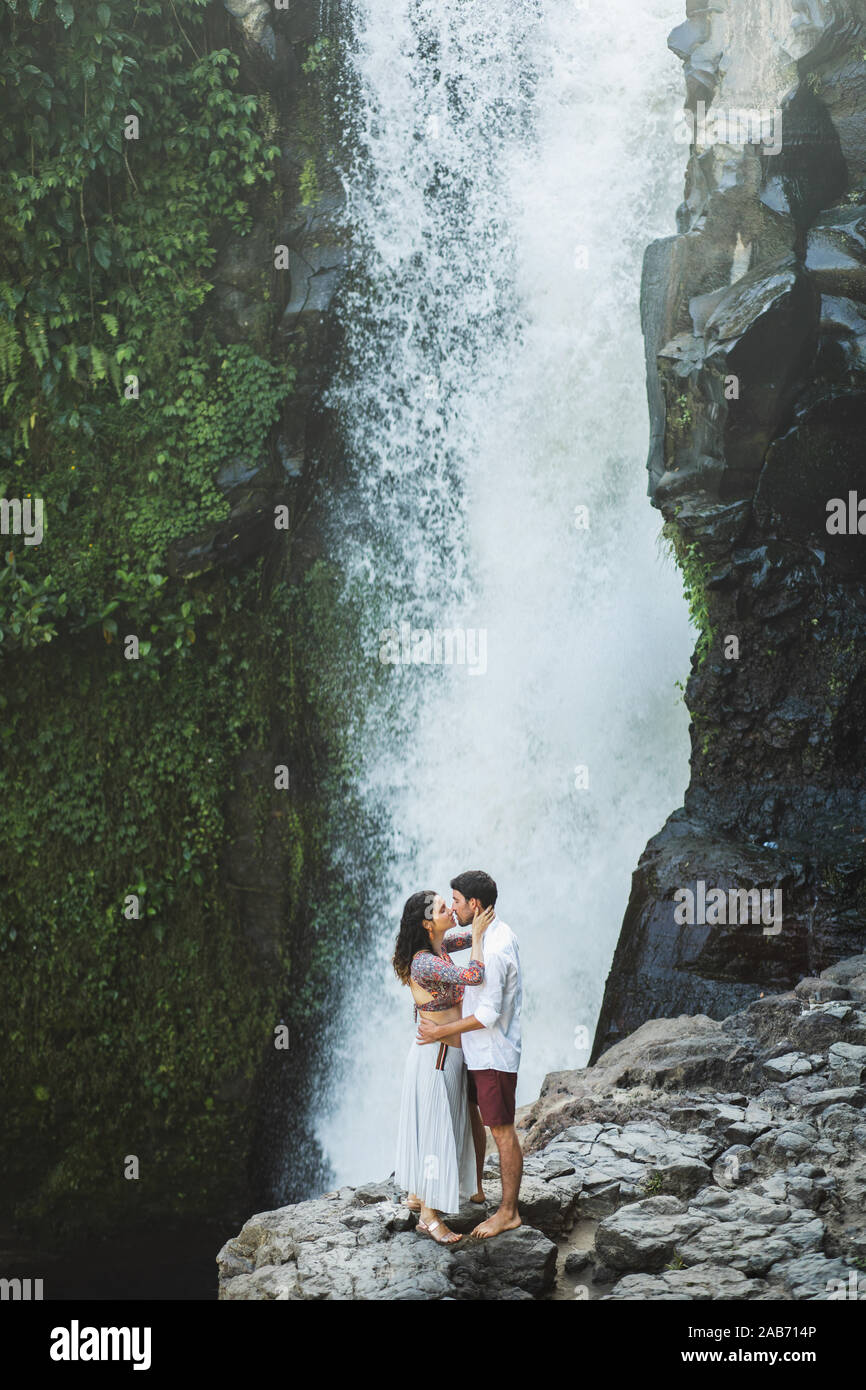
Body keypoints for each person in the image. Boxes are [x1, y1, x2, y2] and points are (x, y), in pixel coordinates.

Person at [417, 870, 523, 1238]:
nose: (452, 907)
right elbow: (451, 942)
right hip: (476, 1055)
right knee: (472, 1116)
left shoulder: (492, 949)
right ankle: (473, 1188)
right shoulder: (490, 934)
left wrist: (440, 1031)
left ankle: (508, 1212)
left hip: (493, 1055)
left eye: (456, 901)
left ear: (474, 904)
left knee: (503, 1130)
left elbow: (487, 1014)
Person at [393, 890, 494, 1245]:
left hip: (444, 1055)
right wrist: (479, 937)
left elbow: (472, 930)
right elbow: (473, 976)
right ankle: (429, 1217)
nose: (450, 909)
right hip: (437, 1058)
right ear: (426, 923)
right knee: (439, 1129)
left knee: (442, 1124)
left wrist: (479, 916)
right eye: (441, 908)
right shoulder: (423, 961)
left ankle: (420, 1195)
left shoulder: (442, 945)